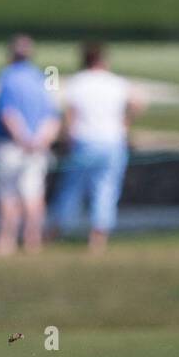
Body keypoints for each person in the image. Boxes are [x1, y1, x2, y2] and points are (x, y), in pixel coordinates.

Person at [50, 42, 144, 254]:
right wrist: (125, 123)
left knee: (72, 188)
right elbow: (138, 103)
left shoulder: (78, 83)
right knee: (106, 189)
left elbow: (70, 115)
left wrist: (67, 138)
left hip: (85, 141)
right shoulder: (116, 83)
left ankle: (56, 230)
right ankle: (98, 238)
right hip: (112, 141)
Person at [0, 35, 59, 256]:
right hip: (37, 144)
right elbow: (52, 115)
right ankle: (32, 239)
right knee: (33, 193)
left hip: (11, 144)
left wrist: (23, 139)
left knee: (8, 194)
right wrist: (42, 140)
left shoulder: (7, 77)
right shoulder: (44, 77)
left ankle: (7, 240)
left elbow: (8, 113)